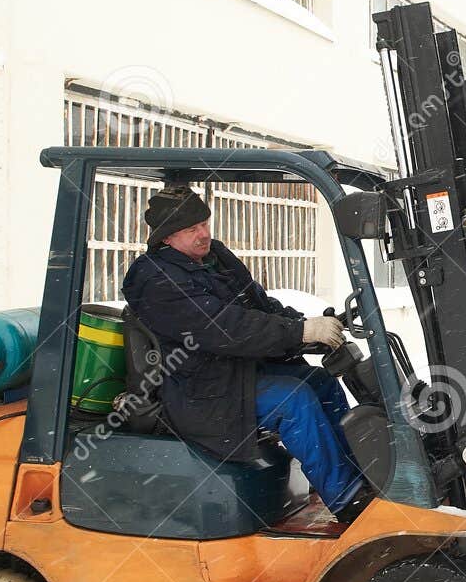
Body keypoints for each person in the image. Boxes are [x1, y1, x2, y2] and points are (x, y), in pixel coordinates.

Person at [121, 185, 367, 516]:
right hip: (201, 392)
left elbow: (257, 303)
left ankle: (362, 476)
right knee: (294, 400)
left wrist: (303, 326)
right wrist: (298, 332)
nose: (203, 234)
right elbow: (225, 326)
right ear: (167, 237)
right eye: (192, 229)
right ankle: (349, 501)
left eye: (205, 224)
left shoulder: (214, 257)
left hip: (236, 372)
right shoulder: (154, 279)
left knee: (321, 381)